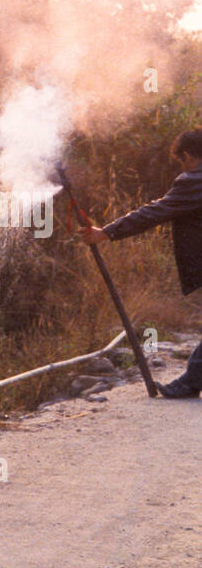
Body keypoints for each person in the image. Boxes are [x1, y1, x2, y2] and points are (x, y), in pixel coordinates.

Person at [81, 129, 202, 398]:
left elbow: (153, 212)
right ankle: (191, 381)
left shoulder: (193, 182)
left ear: (186, 156)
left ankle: (191, 382)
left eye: (182, 162)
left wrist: (107, 232)